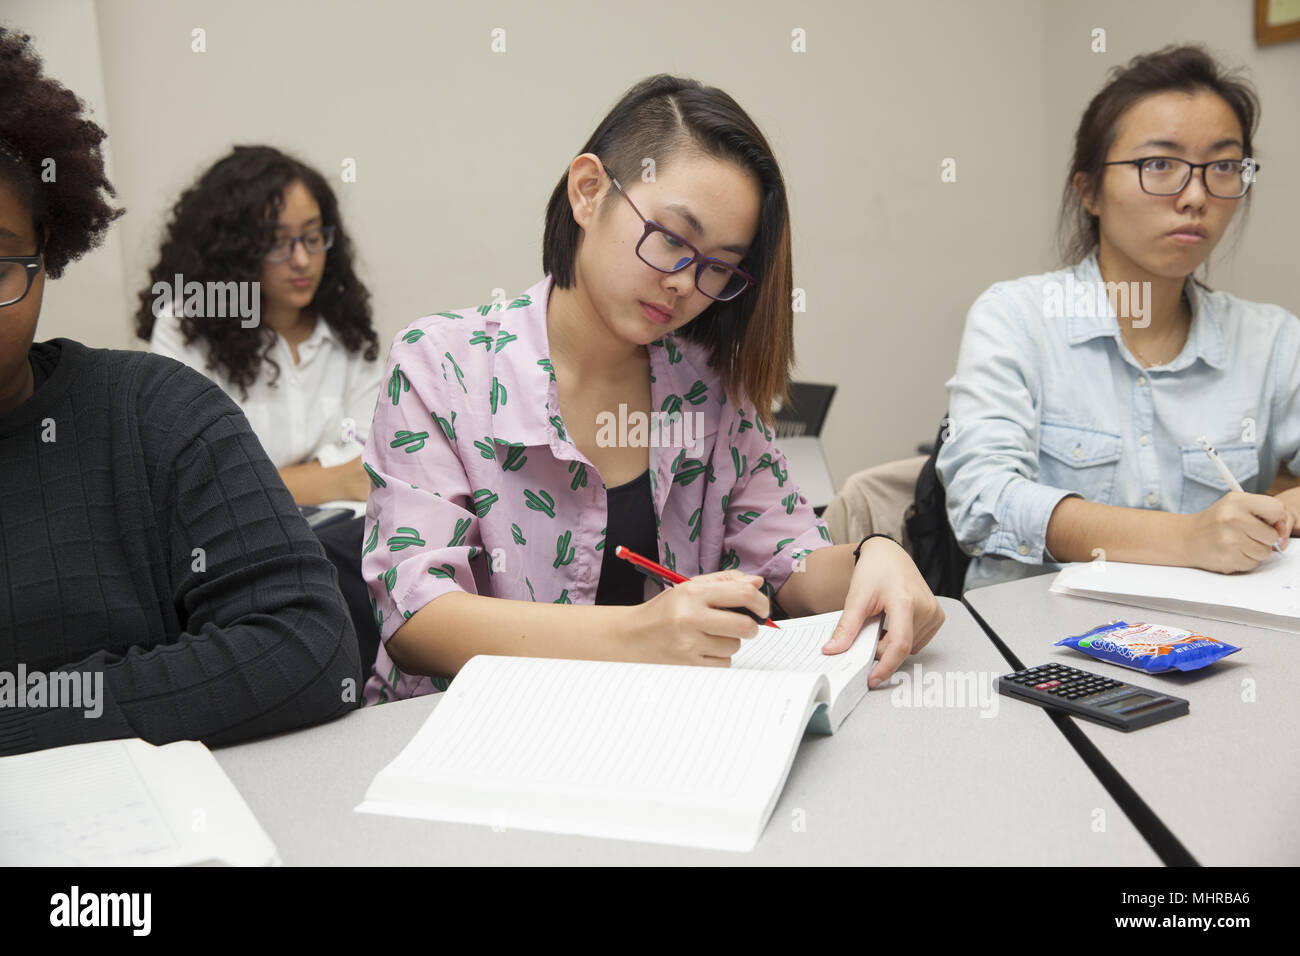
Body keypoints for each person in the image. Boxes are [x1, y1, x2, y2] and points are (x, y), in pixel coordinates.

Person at [360, 74, 944, 704]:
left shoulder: (708, 388)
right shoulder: (443, 367)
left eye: (718, 266)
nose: (685, 284)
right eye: (671, 238)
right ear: (588, 192)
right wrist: (636, 634)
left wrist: (875, 558)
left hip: (652, 733)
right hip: (457, 737)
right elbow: (418, 618)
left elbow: (790, 562)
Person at [0, 28, 361, 756]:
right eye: (278, 240)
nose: (302, 260)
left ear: (45, 250)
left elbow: (305, 645)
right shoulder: (192, 330)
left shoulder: (154, 411)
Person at [937, 45, 1300, 592]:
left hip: (1212, 647)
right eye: (1159, 164)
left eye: (1224, 166)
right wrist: (1188, 538)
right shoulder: (1017, 317)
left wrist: (1285, 508)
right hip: (1036, 646)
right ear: (1089, 191)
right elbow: (983, 500)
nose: (1196, 196)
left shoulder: (1272, 339)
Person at [137, 146, 382, 506]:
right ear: (233, 251)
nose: (301, 260)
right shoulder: (185, 326)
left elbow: (369, 465)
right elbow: (198, 485)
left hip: (347, 539)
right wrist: (331, 480)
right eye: (277, 242)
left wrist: (261, 482)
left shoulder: (347, 326)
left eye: (312, 238)